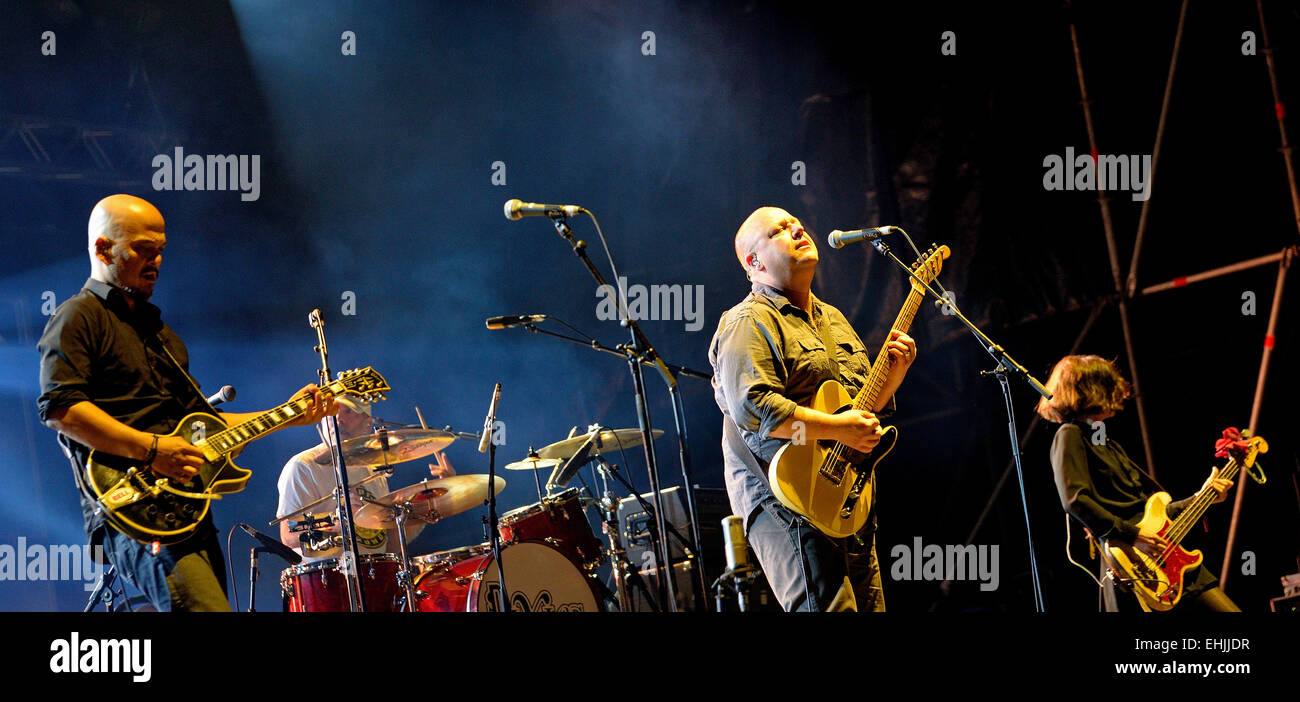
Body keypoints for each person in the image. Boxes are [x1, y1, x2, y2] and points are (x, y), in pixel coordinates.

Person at [38, 194, 337, 612]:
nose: (156, 262)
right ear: (103, 248)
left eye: (160, 251)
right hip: (134, 511)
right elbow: (61, 409)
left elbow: (205, 428)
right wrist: (153, 450)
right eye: (143, 250)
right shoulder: (77, 318)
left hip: (188, 512)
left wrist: (289, 416)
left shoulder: (162, 337)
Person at [708, 206, 917, 612]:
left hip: (844, 492)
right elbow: (758, 411)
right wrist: (839, 430)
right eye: (779, 231)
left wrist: (892, 379)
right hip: (782, 498)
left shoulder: (833, 319)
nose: (797, 229)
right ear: (754, 263)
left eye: (798, 224)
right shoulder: (746, 321)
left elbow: (852, 410)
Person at [1035, 354, 1239, 612]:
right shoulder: (1070, 435)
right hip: (1133, 567)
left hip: (1172, 559)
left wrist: (1202, 498)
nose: (1117, 394)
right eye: (1109, 386)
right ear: (1092, 390)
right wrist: (1133, 535)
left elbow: (1152, 511)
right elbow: (1075, 500)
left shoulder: (1107, 443)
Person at [276, 397, 455, 561]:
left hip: (373, 578)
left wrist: (432, 502)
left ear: (367, 423)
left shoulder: (373, 472)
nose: (338, 419)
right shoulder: (303, 466)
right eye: (332, 412)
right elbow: (288, 535)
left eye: (348, 412)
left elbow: (389, 545)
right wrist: (337, 522)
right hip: (326, 585)